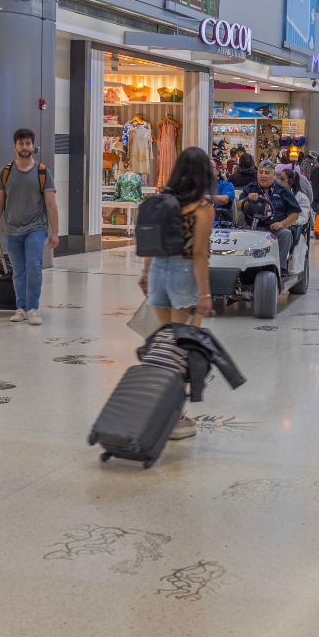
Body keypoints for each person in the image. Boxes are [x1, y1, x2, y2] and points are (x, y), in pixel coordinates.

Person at [136, 147, 217, 443]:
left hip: (158, 271)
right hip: (183, 276)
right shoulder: (202, 209)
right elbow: (198, 254)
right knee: (180, 352)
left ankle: (158, 409)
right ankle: (173, 416)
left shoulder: (161, 200)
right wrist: (205, 294)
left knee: (165, 345)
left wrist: (146, 274)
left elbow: (151, 242)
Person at [0, 127, 60, 325]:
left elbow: (51, 203)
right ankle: (21, 308)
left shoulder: (43, 172)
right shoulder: (5, 172)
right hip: (12, 230)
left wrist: (55, 232)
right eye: (21, 143)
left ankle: (33, 308)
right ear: (14, 146)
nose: (25, 147)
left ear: (33, 146)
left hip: (36, 229)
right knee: (18, 270)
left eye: (28, 143)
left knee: (33, 266)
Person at [238, 159, 304, 271]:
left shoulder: (283, 191)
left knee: (286, 233)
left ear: (274, 175)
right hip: (252, 228)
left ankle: (281, 268)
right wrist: (248, 199)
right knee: (237, 235)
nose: (263, 175)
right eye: (260, 172)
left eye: (267, 173)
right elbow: (239, 206)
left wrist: (282, 224)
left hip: (274, 229)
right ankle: (242, 267)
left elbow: (295, 214)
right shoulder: (250, 188)